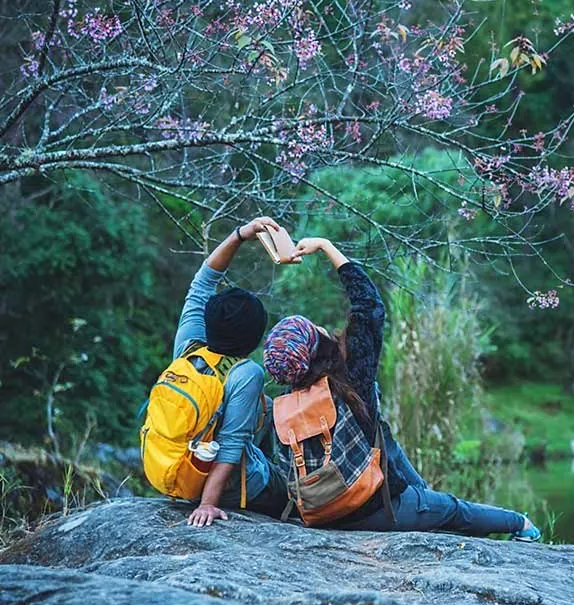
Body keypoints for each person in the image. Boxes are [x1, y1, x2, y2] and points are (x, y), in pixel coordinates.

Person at [262, 236, 541, 540]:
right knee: (451, 510)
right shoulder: (350, 378)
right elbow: (368, 306)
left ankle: (421, 498)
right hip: (377, 510)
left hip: (324, 517)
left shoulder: (284, 406)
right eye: (313, 327)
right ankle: (521, 524)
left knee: (386, 442)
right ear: (316, 345)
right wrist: (328, 246)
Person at [173, 217, 290, 526]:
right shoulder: (246, 374)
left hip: (178, 470)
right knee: (293, 490)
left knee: (266, 406)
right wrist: (207, 505)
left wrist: (241, 234)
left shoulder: (188, 347)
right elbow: (231, 444)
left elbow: (203, 282)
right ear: (253, 341)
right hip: (232, 488)